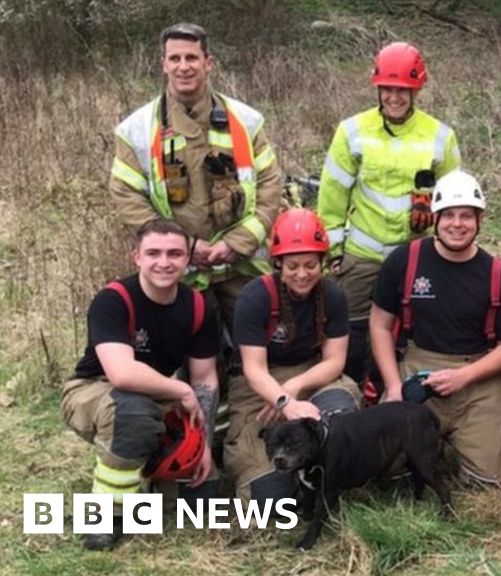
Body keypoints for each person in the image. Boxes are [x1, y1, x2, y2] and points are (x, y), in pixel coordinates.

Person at [109, 22, 284, 326]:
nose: (183, 67)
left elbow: (270, 186)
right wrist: (186, 246)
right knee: (186, 348)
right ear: (163, 64)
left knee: (257, 343)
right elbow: (127, 197)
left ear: (208, 63)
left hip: (242, 267)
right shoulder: (136, 130)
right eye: (174, 59)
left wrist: (237, 243)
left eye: (191, 58)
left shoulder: (246, 121)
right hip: (179, 273)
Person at [60, 219, 219, 550]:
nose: (164, 262)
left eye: (174, 253)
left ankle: (143, 475)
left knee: (199, 499)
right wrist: (181, 390)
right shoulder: (113, 300)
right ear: (137, 257)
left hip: (155, 395)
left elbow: (204, 380)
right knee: (132, 414)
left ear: (188, 259)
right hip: (93, 389)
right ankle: (106, 515)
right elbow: (122, 374)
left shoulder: (198, 307)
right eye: (153, 253)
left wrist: (202, 443)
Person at [368, 170, 501, 486]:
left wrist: (464, 376)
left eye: (466, 216)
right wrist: (394, 387)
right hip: (418, 368)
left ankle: (465, 437)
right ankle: (431, 442)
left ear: (479, 220)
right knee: (385, 470)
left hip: (477, 374)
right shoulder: (405, 260)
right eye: (449, 215)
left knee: (497, 478)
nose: (457, 224)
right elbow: (380, 325)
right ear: (436, 218)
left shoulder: (497, 275)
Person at [318, 41, 461, 389]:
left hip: (414, 255)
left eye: (402, 90)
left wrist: (446, 253)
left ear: (416, 90)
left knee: (415, 330)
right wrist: (334, 251)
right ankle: (350, 396)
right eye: (388, 89)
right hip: (360, 255)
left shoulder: (440, 137)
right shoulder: (352, 131)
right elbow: (332, 195)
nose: (394, 97)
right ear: (378, 88)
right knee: (351, 333)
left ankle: (403, 394)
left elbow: (453, 200)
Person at [224, 208, 361, 505]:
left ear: (322, 262)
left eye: (311, 265)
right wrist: (283, 401)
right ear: (278, 264)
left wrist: (295, 387)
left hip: (312, 374)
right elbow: (253, 368)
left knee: (341, 414)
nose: (302, 274)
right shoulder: (255, 297)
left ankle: (325, 475)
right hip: (257, 385)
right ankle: (289, 479)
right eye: (293, 266)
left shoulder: (333, 295)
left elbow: (335, 361)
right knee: (269, 496)